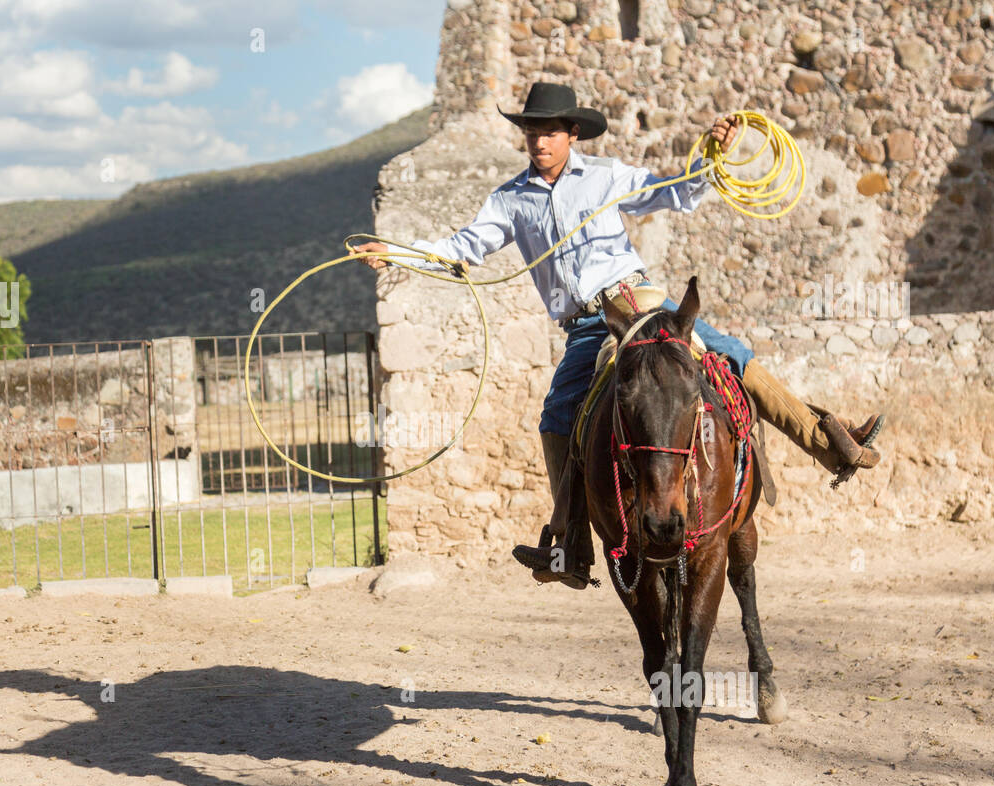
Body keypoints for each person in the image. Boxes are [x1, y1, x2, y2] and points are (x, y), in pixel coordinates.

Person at [354, 82, 882, 589]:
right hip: (588, 325)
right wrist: (396, 251)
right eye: (532, 132)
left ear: (572, 135)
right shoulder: (510, 199)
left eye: (551, 132)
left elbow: (676, 193)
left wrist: (711, 158)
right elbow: (463, 247)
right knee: (559, 415)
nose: (540, 141)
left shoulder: (606, 177)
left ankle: (832, 444)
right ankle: (570, 548)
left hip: (639, 299)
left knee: (731, 355)